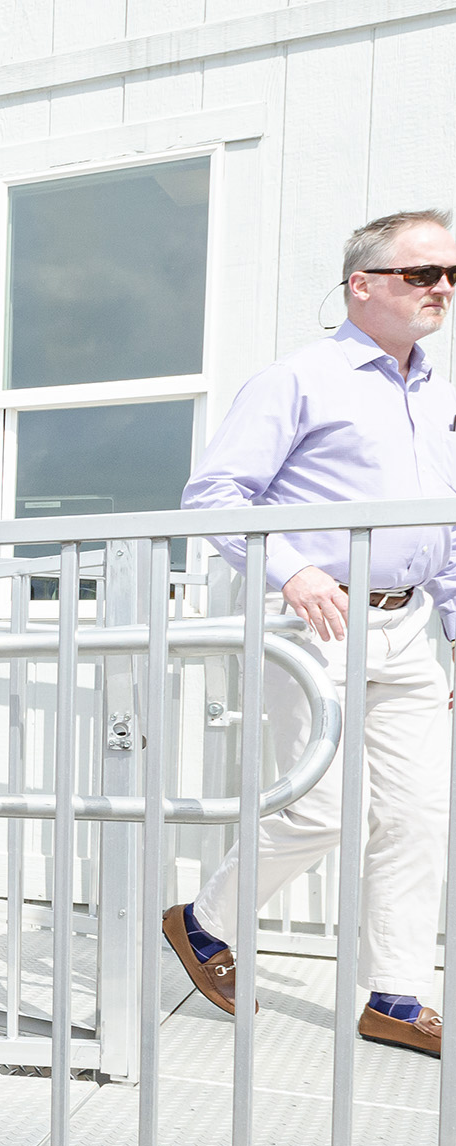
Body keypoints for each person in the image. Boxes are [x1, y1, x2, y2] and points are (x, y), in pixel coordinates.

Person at [167, 208, 456, 1057]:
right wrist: (292, 567)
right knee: (323, 811)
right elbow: (215, 496)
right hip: (315, 618)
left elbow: (441, 527)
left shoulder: (440, 391)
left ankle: (396, 996)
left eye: (453, 276)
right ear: (361, 285)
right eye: (424, 274)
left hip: (408, 626)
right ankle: (203, 921)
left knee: (417, 811)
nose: (443, 288)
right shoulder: (298, 379)